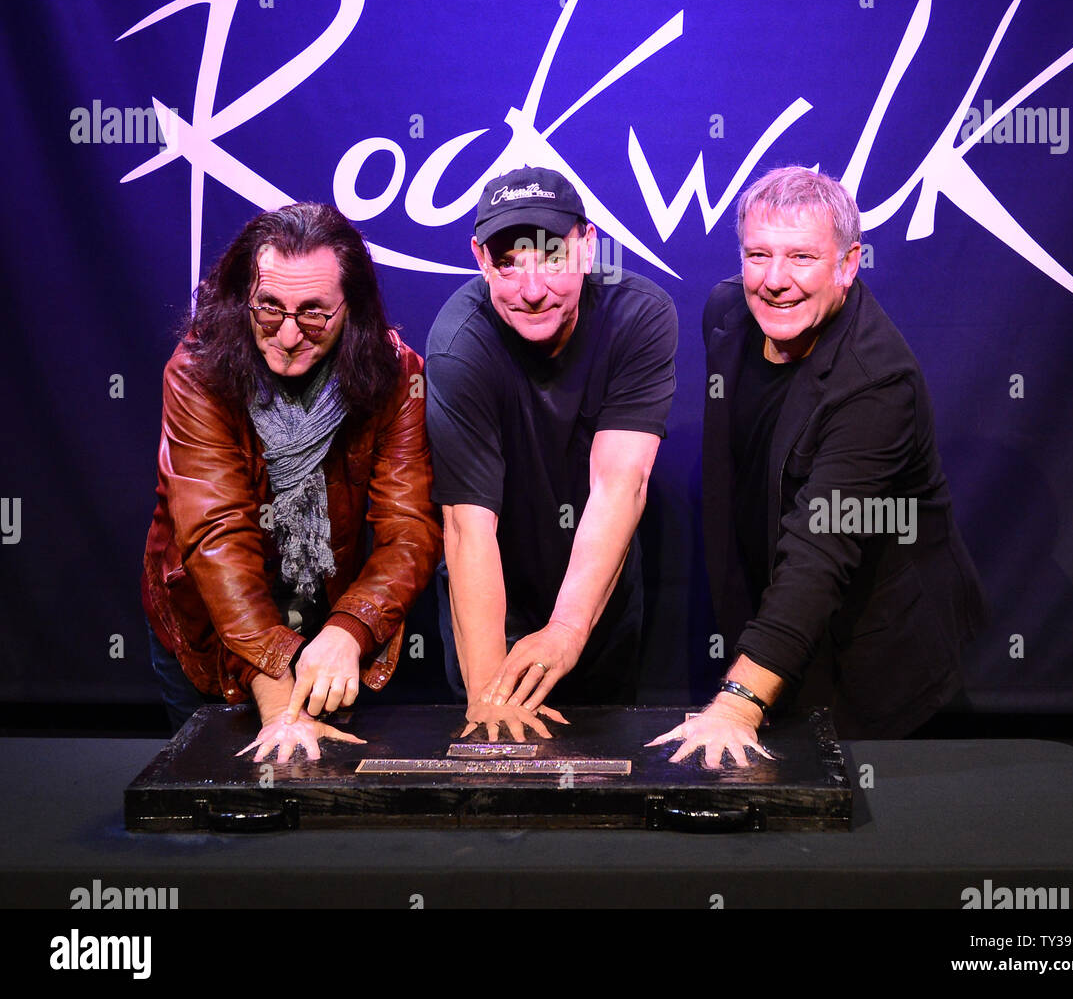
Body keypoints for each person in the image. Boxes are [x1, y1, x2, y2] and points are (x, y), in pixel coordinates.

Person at [650, 166, 986, 766]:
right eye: (758, 254)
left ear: (848, 264)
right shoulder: (726, 314)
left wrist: (736, 703)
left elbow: (819, 552)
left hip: (879, 658)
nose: (775, 281)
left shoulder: (876, 384)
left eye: (802, 257)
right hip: (780, 635)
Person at [142, 202, 442, 762]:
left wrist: (349, 630)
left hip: (330, 634)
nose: (286, 335)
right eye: (269, 308)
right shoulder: (197, 371)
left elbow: (410, 528)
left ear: (351, 309)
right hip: (212, 626)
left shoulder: (399, 374)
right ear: (243, 300)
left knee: (327, 815)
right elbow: (217, 537)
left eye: (313, 314)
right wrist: (283, 706)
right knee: (224, 816)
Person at [425, 166, 678, 741]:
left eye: (552, 258)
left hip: (598, 597)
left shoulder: (639, 315)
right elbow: (468, 529)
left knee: (601, 784)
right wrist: (489, 692)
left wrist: (567, 627)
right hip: (491, 595)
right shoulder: (460, 344)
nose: (532, 289)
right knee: (493, 763)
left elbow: (621, 484)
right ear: (480, 259)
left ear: (588, 247)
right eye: (509, 262)